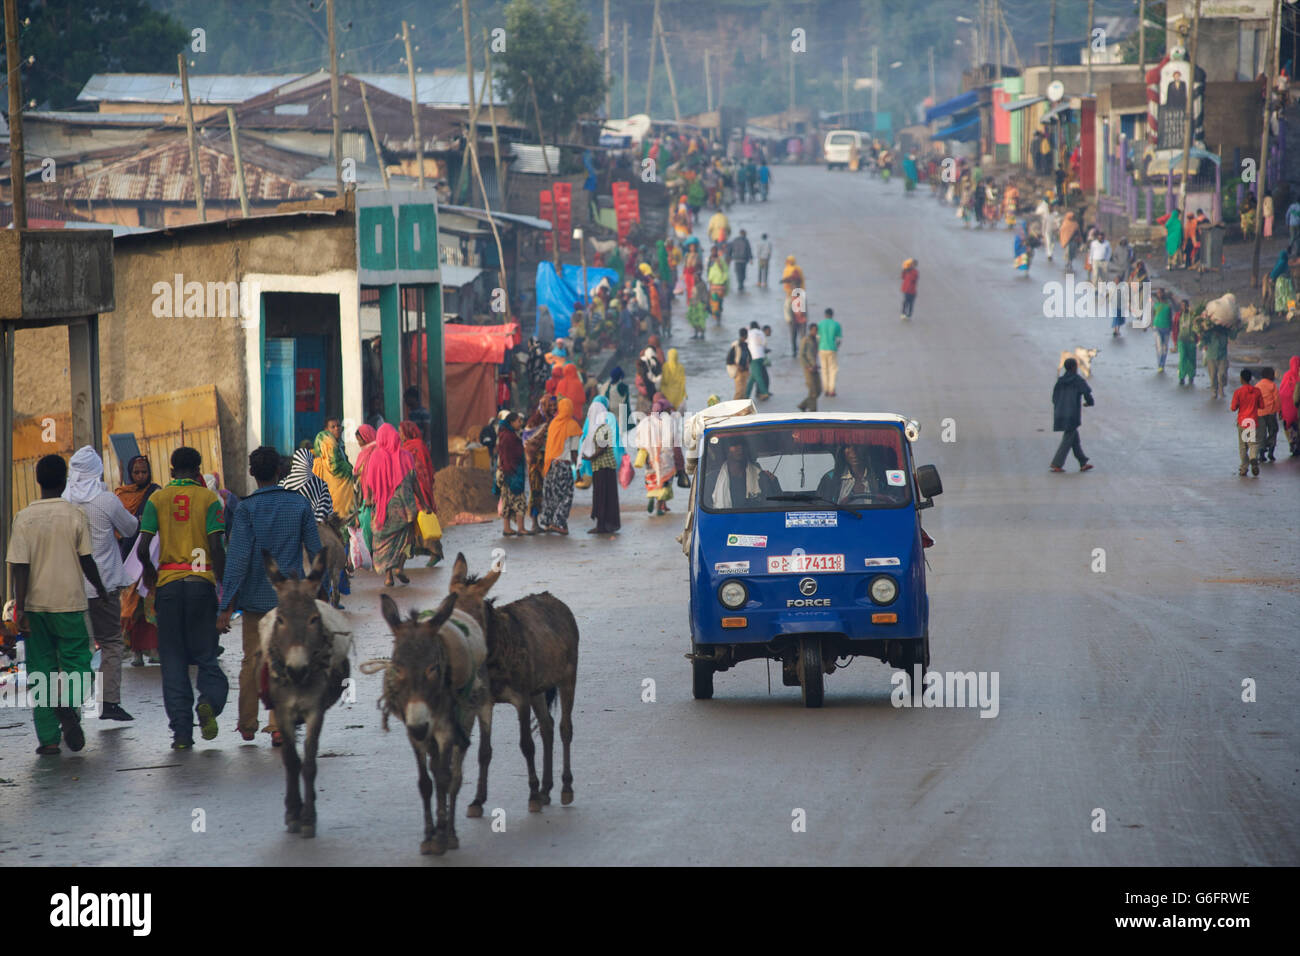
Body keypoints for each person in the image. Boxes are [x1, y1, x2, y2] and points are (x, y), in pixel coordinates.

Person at [216, 446, 321, 745]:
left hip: (254, 601)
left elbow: (237, 559)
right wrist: (323, 590)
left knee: (253, 659)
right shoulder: (299, 505)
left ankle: (248, 723)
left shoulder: (246, 509)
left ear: (252, 473)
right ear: (280, 471)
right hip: (290, 602)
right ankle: (279, 726)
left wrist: (226, 605)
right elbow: (316, 552)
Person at [8, 454, 110, 754]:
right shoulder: (74, 515)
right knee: (78, 663)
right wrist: (101, 589)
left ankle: (49, 740)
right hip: (69, 604)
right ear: (65, 480)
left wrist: (21, 608)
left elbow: (19, 567)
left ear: (38, 481)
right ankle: (68, 705)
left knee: (40, 670)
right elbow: (86, 559)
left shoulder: (23, 517)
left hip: (35, 608)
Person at [136, 446, 228, 750]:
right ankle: (210, 702)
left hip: (170, 587)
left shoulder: (157, 499)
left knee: (173, 660)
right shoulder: (209, 499)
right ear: (199, 470)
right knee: (205, 654)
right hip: (200, 584)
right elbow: (215, 547)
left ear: (172, 471)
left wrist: (150, 571)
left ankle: (182, 734)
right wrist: (222, 583)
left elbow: (141, 547)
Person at [63, 446, 138, 723]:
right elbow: (130, 528)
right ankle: (108, 702)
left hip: (71, 591)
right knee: (111, 643)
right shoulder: (106, 501)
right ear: (97, 471)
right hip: (103, 588)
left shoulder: (63, 502)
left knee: (76, 648)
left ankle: (72, 704)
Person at [114, 456, 161, 667]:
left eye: (144, 472)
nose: (141, 476)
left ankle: (154, 649)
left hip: (151, 557)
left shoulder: (156, 493)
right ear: (129, 474)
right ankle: (136, 653)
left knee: (149, 605)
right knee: (131, 609)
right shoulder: (120, 496)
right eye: (136, 472)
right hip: (129, 559)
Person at [362, 424, 422, 586]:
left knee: (383, 543)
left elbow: (369, 482)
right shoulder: (406, 456)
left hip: (383, 509)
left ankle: (388, 576)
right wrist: (423, 503)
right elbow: (414, 482)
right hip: (404, 509)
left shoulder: (375, 457)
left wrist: (368, 499)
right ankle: (399, 567)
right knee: (407, 539)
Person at [538, 396, 584, 534]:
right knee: (566, 495)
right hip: (563, 466)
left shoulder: (553, 424)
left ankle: (547, 522)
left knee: (550, 494)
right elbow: (574, 452)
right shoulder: (572, 426)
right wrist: (578, 472)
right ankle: (559, 523)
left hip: (551, 465)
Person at [633, 393, 683, 516]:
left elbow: (639, 441)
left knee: (653, 479)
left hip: (650, 457)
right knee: (665, 482)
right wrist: (680, 463)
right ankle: (660, 506)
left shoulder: (645, 422)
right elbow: (674, 443)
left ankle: (652, 498)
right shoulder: (668, 422)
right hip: (665, 457)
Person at [581, 398, 621, 534]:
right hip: (601, 467)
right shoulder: (598, 427)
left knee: (602, 495)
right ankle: (604, 524)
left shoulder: (602, 428)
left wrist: (589, 457)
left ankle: (602, 525)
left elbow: (601, 448)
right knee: (604, 495)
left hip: (604, 467)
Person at [1050, 358, 1095, 473]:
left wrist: (1059, 408)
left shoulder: (1060, 381)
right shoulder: (1077, 380)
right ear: (1074, 367)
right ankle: (1056, 463)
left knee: (1074, 438)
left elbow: (1054, 398)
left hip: (1060, 413)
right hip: (1072, 415)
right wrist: (1089, 403)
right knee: (1068, 438)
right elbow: (1087, 393)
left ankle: (1083, 462)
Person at [709, 436, 780, 508]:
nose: (740, 448)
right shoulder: (712, 479)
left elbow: (772, 506)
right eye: (734, 444)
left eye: (743, 444)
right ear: (726, 449)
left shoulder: (761, 477)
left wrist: (774, 482)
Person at [523, 396, 556, 534]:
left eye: (555, 406)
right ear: (544, 406)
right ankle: (535, 523)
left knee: (550, 491)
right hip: (536, 462)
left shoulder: (553, 420)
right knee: (536, 491)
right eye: (551, 406)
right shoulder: (534, 422)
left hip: (549, 460)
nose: (553, 408)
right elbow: (527, 441)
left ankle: (548, 521)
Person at [312, 420, 357, 521]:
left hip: (343, 501)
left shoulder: (340, 450)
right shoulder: (320, 460)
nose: (337, 429)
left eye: (338, 426)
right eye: (333, 427)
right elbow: (336, 468)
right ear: (326, 430)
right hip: (334, 503)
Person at [496, 412, 529, 536]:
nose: (520, 423)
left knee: (507, 501)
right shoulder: (509, 437)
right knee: (519, 501)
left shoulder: (505, 434)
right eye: (518, 421)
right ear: (511, 423)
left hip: (506, 473)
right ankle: (521, 528)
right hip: (512, 473)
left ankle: (507, 528)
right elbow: (512, 455)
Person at [1231, 369, 1264, 477]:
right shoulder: (1257, 391)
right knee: (1253, 443)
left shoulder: (1238, 392)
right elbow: (1262, 406)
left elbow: (1233, 408)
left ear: (1241, 379)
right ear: (1250, 378)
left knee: (1243, 446)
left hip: (1242, 422)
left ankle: (1244, 468)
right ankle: (1253, 457)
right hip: (1252, 421)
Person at [1202, 321, 1237, 400]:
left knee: (1222, 374)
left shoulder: (1225, 332)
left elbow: (1233, 336)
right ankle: (1214, 390)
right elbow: (1203, 339)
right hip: (1211, 356)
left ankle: (1221, 388)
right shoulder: (1209, 332)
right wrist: (1204, 344)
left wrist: (1237, 327)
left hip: (1222, 356)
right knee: (1213, 375)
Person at [817, 307, 842, 398]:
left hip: (822, 348)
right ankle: (832, 389)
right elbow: (839, 339)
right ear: (832, 315)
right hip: (832, 348)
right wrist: (836, 347)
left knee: (824, 369)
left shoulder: (820, 324)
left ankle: (826, 389)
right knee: (833, 369)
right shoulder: (836, 325)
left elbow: (818, 337)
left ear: (825, 315)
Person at [1256, 366, 1280, 463]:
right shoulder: (1272, 385)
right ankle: (1271, 451)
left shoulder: (1257, 385)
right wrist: (1278, 411)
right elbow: (1277, 400)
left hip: (1259, 413)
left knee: (1261, 433)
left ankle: (1261, 453)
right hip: (1271, 412)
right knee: (1273, 431)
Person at [798, 323, 822, 411]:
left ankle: (803, 404)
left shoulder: (816, 340)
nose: (815, 332)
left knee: (819, 390)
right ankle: (813, 411)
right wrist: (807, 366)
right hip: (808, 369)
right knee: (813, 391)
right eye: (814, 330)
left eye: (816, 330)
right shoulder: (805, 340)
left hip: (815, 367)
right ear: (810, 330)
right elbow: (801, 355)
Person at [745, 321, 771, 401]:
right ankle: (746, 395)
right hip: (761, 357)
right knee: (753, 377)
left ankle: (764, 392)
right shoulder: (761, 332)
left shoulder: (749, 333)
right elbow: (764, 345)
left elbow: (745, 344)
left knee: (758, 376)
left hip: (753, 357)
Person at [1177, 299, 1199, 386]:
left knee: (1191, 359)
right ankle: (1181, 377)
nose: (1184, 307)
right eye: (1182, 305)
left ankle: (1191, 376)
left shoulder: (1193, 316)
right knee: (1182, 358)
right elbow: (1175, 327)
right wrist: (1175, 341)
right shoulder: (1178, 315)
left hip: (1191, 340)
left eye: (1185, 305)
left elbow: (1198, 327)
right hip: (1181, 340)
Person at [1151, 288, 1173, 372]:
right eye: (1158, 293)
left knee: (1164, 348)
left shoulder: (1169, 304)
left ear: (1164, 294)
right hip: (1157, 327)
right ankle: (1159, 364)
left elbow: (1171, 316)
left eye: (1161, 293)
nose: (1159, 294)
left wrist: (1172, 328)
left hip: (1166, 328)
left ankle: (1162, 365)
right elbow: (1152, 315)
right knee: (1159, 347)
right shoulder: (1155, 304)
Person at [727, 327, 751, 400]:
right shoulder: (736, 345)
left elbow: (750, 357)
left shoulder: (745, 345)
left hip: (745, 370)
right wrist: (738, 366)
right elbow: (729, 360)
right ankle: (735, 407)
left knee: (744, 391)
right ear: (746, 335)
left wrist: (747, 364)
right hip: (738, 372)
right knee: (739, 391)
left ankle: (742, 408)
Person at [707, 249, 730, 321]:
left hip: (714, 287)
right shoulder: (723, 264)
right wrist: (726, 287)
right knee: (720, 302)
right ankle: (718, 317)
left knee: (714, 302)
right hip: (721, 287)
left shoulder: (712, 264)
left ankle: (716, 317)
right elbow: (727, 276)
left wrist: (710, 285)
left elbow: (710, 276)